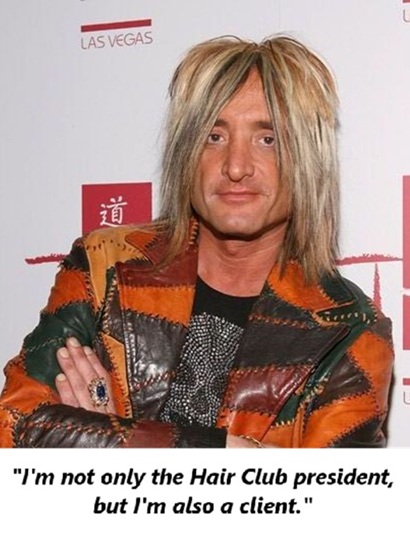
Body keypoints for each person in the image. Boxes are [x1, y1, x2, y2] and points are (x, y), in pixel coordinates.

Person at [0, 35, 393, 448]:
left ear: (308, 159)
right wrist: (225, 450)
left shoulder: (349, 331)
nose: (236, 167)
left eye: (268, 139)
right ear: (186, 151)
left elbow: (330, 491)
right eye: (213, 137)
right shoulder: (105, 266)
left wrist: (106, 442)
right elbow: (14, 427)